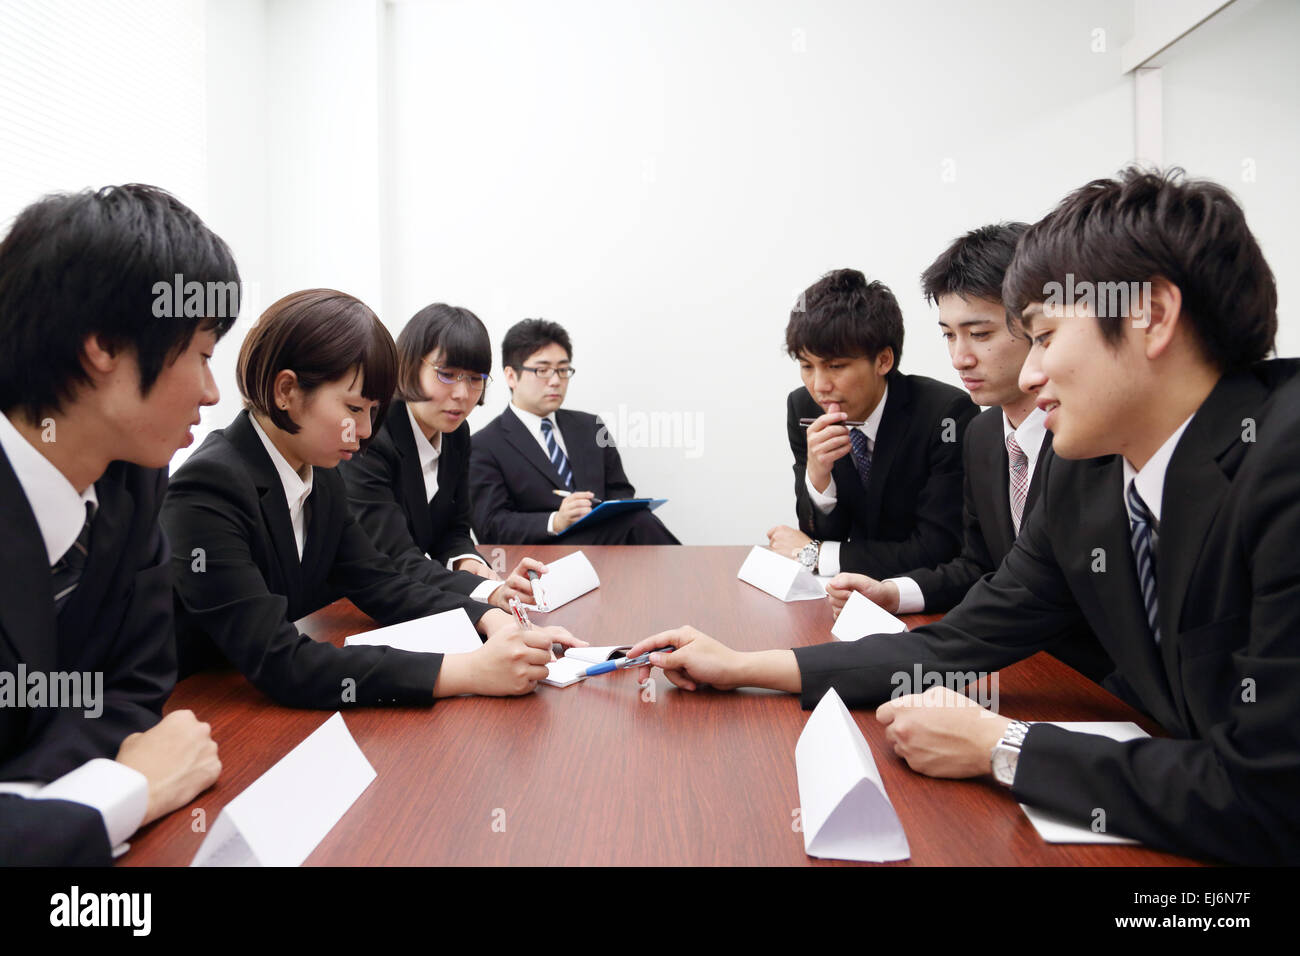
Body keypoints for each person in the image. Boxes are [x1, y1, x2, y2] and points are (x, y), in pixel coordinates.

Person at [629, 168, 1300, 865]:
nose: (1032, 374)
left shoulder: (1283, 462)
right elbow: (955, 645)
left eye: (1041, 336)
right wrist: (744, 666)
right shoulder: (1091, 478)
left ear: (1150, 316)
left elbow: (1270, 798)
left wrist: (1003, 748)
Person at [162, 289, 582, 710]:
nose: (364, 431)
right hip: (202, 705)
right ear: (286, 390)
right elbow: (282, 663)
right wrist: (467, 671)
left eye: (373, 411)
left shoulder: (319, 474)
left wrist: (490, 617)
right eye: (353, 408)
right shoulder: (210, 485)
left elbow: (382, 583)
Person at [0, 184, 225, 865]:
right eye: (204, 353)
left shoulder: (132, 479)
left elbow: (135, 684)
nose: (212, 393)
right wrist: (123, 788)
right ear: (103, 344)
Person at [826, 224, 1112, 682]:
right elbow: (979, 567)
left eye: (979, 334)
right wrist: (894, 593)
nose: (960, 358)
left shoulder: (1092, 440)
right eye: (948, 336)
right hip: (1013, 667)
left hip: (1088, 682)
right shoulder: (980, 435)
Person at [768, 270, 978, 579]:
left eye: (835, 366)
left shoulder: (946, 415)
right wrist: (818, 478)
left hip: (929, 598)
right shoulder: (802, 407)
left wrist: (814, 554)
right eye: (806, 366)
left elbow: (938, 549)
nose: (819, 385)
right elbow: (827, 530)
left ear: (883, 361)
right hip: (851, 593)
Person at [341, 303, 548, 597]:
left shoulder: (456, 434)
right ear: (408, 366)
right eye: (447, 374)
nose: (462, 394)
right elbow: (395, 558)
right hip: (350, 604)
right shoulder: (370, 437)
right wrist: (486, 590)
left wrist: (466, 560)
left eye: (475, 379)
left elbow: (455, 529)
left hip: (412, 595)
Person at [469, 318, 680, 545]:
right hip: (542, 555)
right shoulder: (484, 445)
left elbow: (621, 492)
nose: (555, 381)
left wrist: (604, 508)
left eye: (562, 370)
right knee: (640, 523)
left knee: (640, 519)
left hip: (607, 545)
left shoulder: (591, 427)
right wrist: (556, 521)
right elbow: (490, 526)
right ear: (511, 376)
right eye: (542, 370)